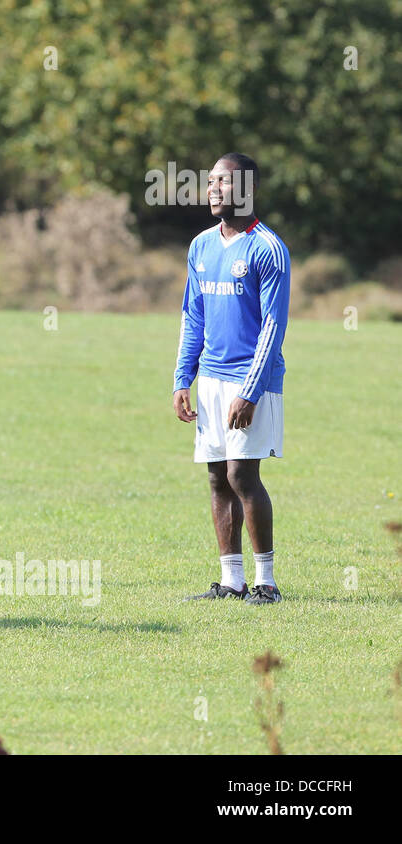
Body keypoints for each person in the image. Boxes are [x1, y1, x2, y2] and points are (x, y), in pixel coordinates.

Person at [173, 152, 290, 605]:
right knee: (217, 477)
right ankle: (231, 581)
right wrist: (183, 378)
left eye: (224, 182)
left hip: (251, 381)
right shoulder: (201, 246)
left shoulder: (268, 248)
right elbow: (192, 317)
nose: (213, 189)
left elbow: (272, 328)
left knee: (243, 474)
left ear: (248, 190)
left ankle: (267, 582)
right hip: (211, 381)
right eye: (210, 182)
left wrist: (250, 390)